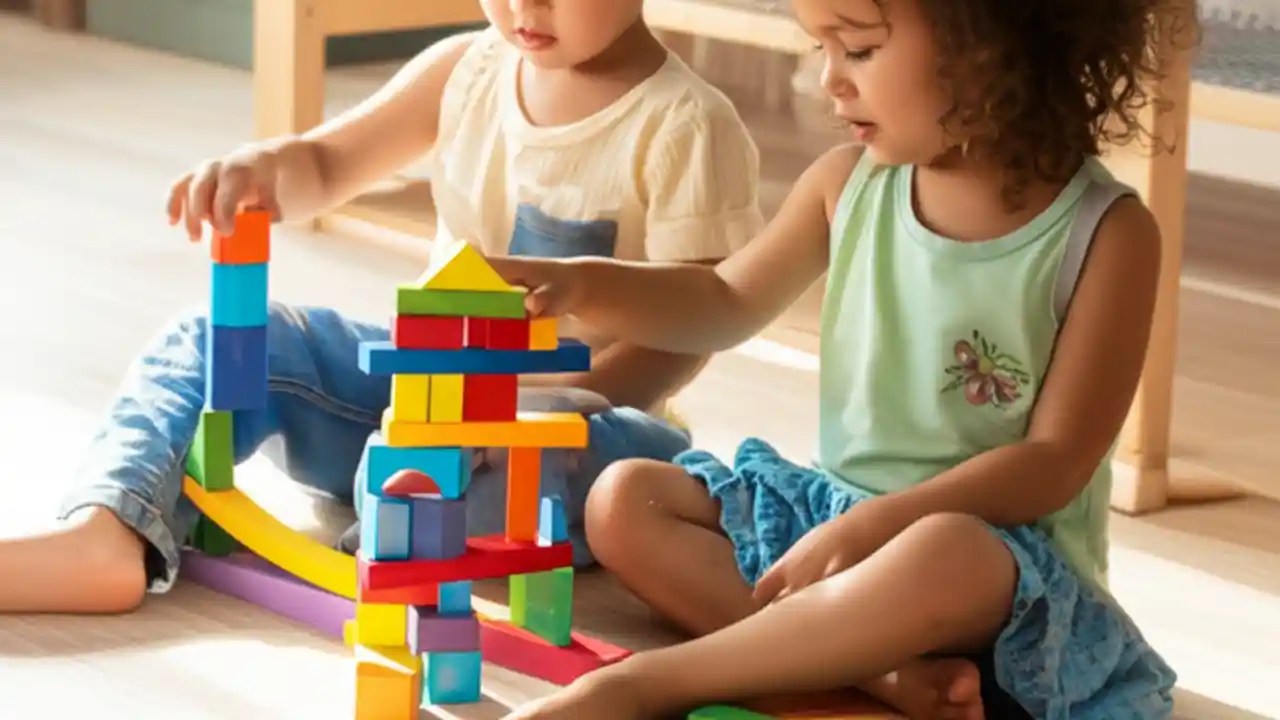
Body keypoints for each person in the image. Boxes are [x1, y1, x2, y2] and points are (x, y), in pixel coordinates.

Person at [491, 0, 1195, 717]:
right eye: (821, 47)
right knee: (624, 500)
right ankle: (884, 677)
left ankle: (647, 685)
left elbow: (1053, 461)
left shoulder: (1105, 233)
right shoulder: (847, 182)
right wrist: (582, 282)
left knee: (944, 551)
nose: (827, 78)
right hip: (834, 520)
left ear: (992, 45)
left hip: (995, 568)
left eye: (857, 49)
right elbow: (722, 298)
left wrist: (878, 526)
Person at [0, 1, 763, 614]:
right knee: (217, 339)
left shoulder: (686, 125)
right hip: (415, 397)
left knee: (589, 480)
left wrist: (535, 414)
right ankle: (108, 525)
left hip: (575, 429)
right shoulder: (466, 69)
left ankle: (394, 530)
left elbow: (685, 333)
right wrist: (265, 169)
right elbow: (329, 164)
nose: (525, 6)